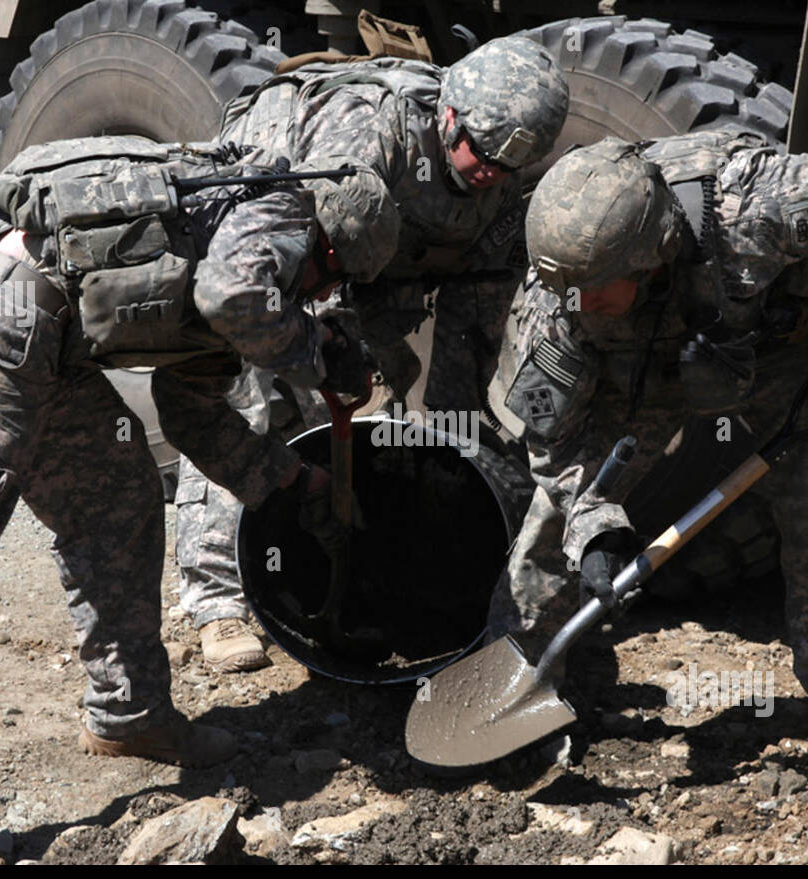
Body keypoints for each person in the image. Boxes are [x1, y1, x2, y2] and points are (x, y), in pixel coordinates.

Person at [0, 136, 399, 864]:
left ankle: (130, 714)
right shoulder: (273, 228)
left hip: (48, 341)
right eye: (328, 283)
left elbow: (189, 405)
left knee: (121, 502)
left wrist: (290, 481)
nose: (320, 299)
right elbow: (233, 299)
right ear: (332, 244)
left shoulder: (228, 235)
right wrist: (315, 355)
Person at [487, 132, 808, 819]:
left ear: (650, 256)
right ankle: (517, 689)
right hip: (643, 378)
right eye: (569, 288)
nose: (580, 304)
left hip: (784, 358)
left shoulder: (754, 207)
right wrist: (596, 526)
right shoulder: (560, 297)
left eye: (596, 290)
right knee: (549, 530)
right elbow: (551, 441)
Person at [178, 36, 570, 672]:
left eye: (512, 162)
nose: (493, 171)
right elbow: (295, 272)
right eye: (485, 153)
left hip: (384, 271)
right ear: (449, 118)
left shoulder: (503, 174)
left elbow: (476, 320)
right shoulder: (366, 135)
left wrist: (455, 449)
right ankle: (214, 596)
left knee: (403, 407)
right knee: (247, 388)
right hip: (277, 253)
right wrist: (319, 352)